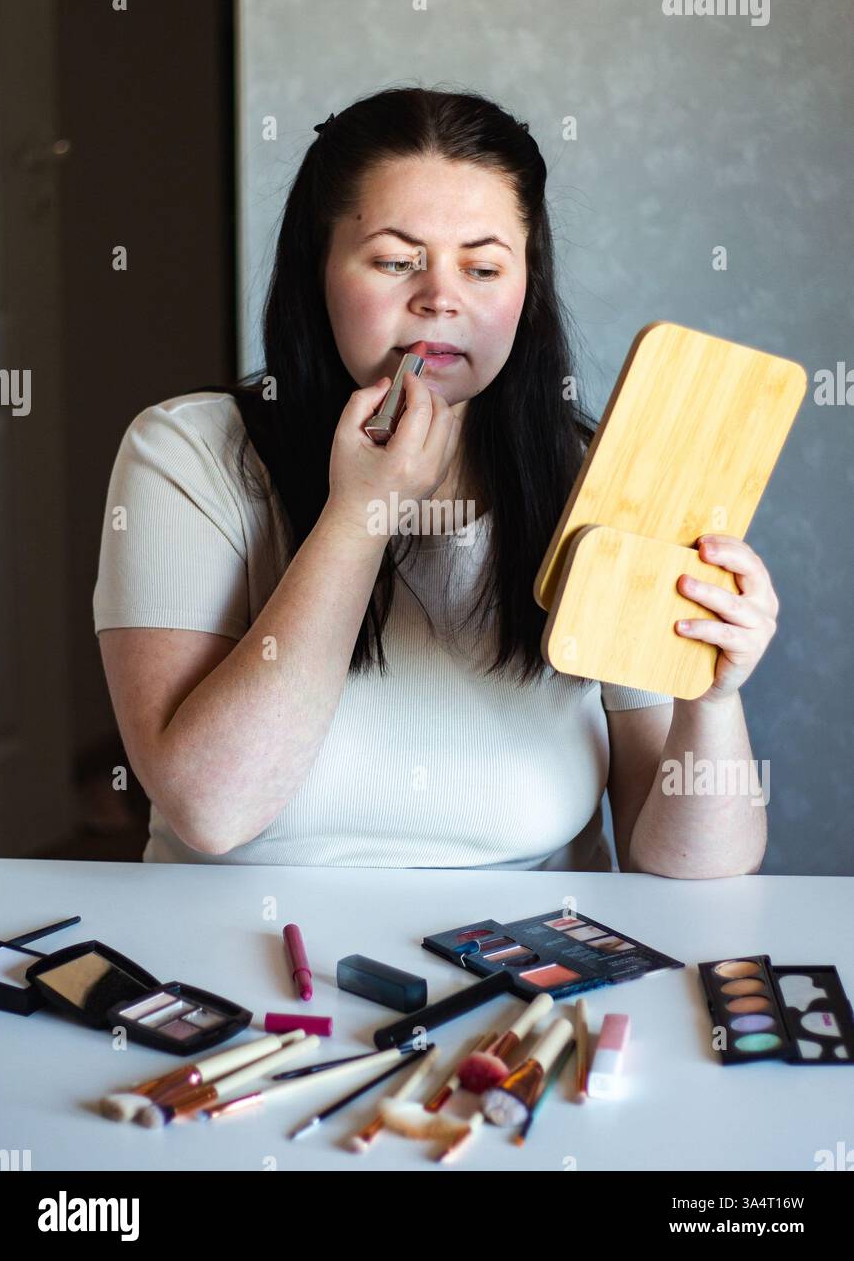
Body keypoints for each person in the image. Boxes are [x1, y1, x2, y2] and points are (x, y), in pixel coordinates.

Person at [93, 86, 776, 875]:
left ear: (527, 287)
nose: (440, 299)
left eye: (484, 267)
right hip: (246, 965)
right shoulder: (186, 453)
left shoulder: (598, 480)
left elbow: (693, 871)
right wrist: (359, 517)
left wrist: (712, 698)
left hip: (523, 975)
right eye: (394, 261)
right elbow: (212, 810)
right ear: (319, 269)